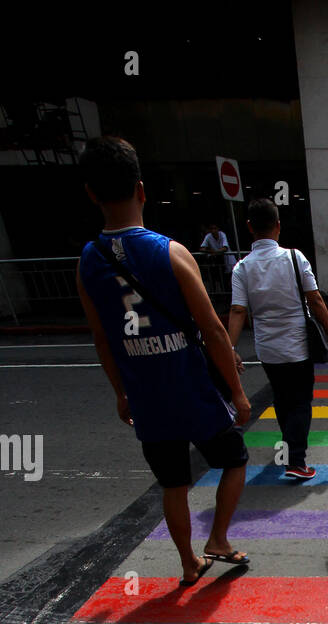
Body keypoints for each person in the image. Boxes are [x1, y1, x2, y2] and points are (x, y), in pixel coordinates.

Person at [76, 136, 252, 586]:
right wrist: (235, 389)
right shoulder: (171, 252)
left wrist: (121, 393)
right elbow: (213, 329)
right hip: (194, 391)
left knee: (174, 484)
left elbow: (101, 339)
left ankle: (189, 562)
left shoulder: (88, 262)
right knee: (234, 458)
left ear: (91, 194)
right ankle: (218, 539)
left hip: (147, 399)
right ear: (141, 189)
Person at [228, 198, 328, 482]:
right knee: (301, 401)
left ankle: (290, 449)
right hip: (298, 345)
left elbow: (238, 310)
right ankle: (297, 460)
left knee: (282, 398)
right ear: (278, 226)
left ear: (249, 228)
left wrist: (229, 348)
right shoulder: (294, 257)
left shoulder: (242, 268)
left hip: (267, 348)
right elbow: (314, 299)